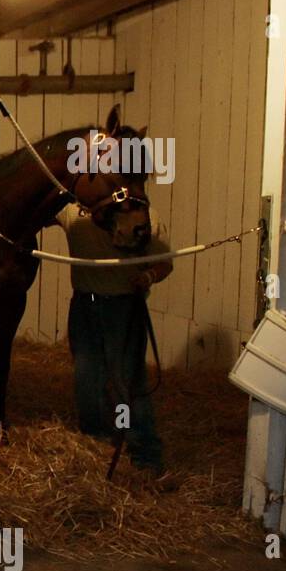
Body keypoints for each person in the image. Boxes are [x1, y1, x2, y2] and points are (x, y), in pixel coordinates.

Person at [55, 202, 172, 474]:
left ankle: (144, 451)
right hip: (85, 302)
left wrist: (149, 275)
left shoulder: (147, 216)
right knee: (87, 378)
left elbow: (164, 262)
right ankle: (97, 443)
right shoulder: (73, 211)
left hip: (123, 306)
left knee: (126, 380)